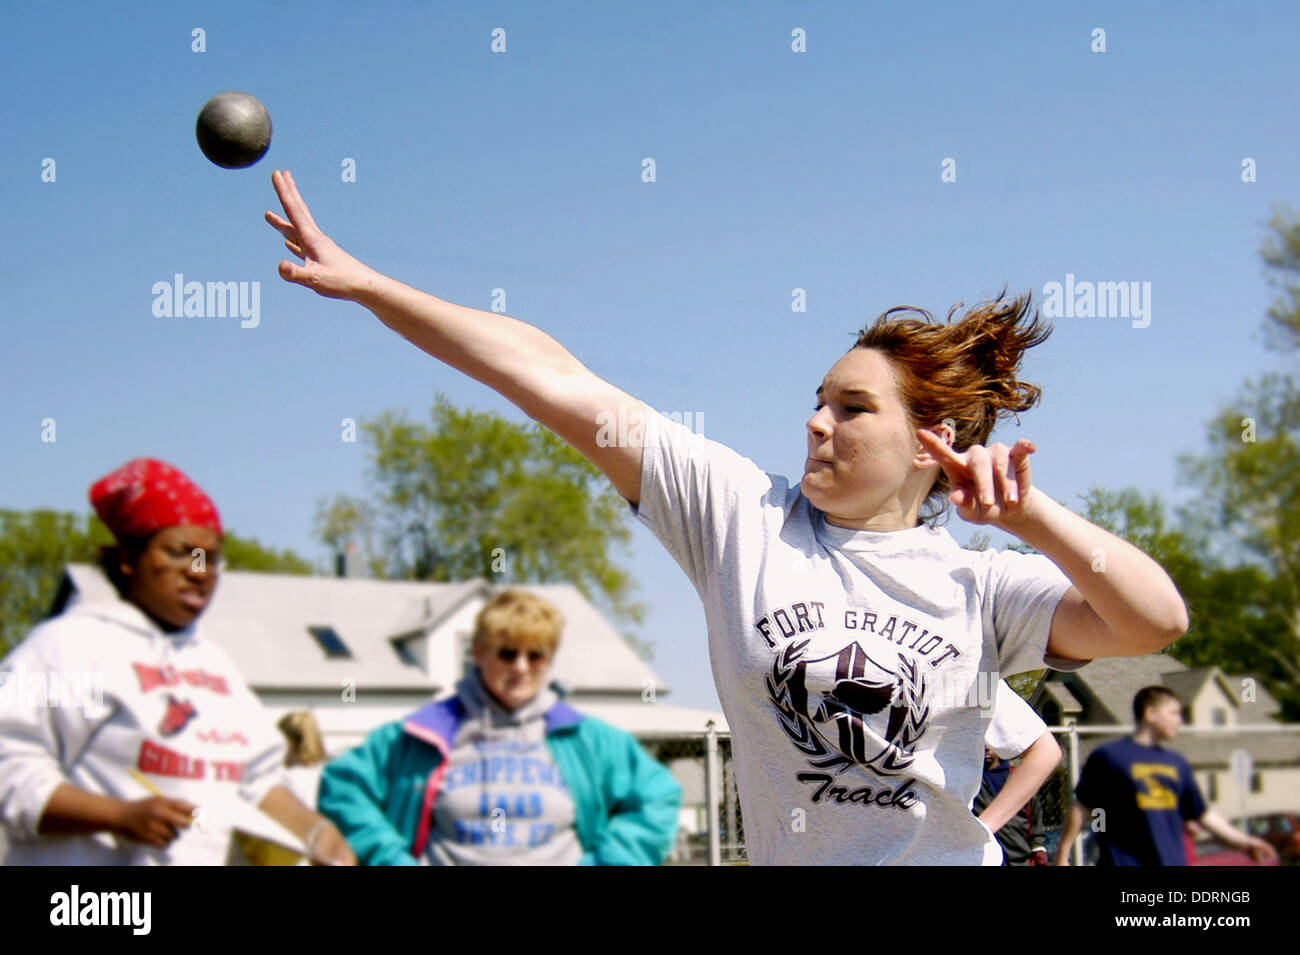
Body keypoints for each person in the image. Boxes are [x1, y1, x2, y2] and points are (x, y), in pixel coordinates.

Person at [265, 168, 1190, 864]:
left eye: (852, 408)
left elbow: (1154, 618)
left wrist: (1032, 518)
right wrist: (375, 287)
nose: (815, 420)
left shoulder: (983, 585)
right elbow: (553, 377)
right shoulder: (740, 517)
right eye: (818, 397)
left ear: (928, 443)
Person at [0, 457, 356, 866]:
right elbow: (10, 767)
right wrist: (119, 816)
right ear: (128, 558)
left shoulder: (215, 666)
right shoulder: (68, 647)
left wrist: (317, 834)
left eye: (211, 558)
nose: (200, 572)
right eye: (181, 552)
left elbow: (257, 783)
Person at [316, 587, 682, 865]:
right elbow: (342, 786)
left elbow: (659, 796)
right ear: (478, 652)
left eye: (536, 654)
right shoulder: (422, 734)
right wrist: (391, 859)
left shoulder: (586, 739)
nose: (521, 667)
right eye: (508, 653)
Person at [1055, 686, 1277, 866]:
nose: (1179, 720)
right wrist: (1063, 854)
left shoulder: (1177, 763)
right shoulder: (1109, 756)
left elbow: (1203, 814)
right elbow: (1083, 807)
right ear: (1150, 714)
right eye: (1173, 713)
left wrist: (1244, 841)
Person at [973, 680, 1060, 865]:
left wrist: (1038, 847)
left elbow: (1034, 815)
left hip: (1019, 857)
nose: (988, 750)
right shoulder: (971, 778)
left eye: (991, 745)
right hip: (980, 856)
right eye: (985, 745)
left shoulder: (1017, 775)